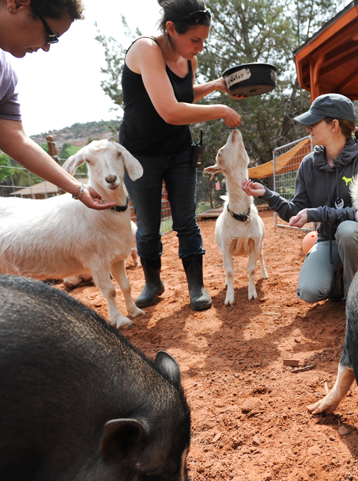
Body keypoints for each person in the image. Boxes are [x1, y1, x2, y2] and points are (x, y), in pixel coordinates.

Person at [120, 0, 241, 312]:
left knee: (186, 221)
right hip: (141, 154)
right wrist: (221, 110)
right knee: (147, 227)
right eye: (195, 40)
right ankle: (153, 282)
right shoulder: (146, 50)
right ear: (171, 29)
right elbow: (171, 111)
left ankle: (195, 285)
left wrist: (215, 86)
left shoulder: (188, 59)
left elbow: (182, 95)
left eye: (204, 40)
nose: (199, 47)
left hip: (178, 151)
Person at [0, 0, 114, 209]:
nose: (47, 47)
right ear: (17, 3)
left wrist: (78, 189)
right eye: (51, 36)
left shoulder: (1, 73)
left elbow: (17, 139)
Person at [241, 93, 358, 303]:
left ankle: (357, 296)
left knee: (347, 230)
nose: (307, 128)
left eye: (313, 122)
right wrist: (268, 195)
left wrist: (317, 213)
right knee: (309, 291)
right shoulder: (308, 164)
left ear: (334, 125)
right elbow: (297, 210)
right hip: (327, 241)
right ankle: (339, 280)